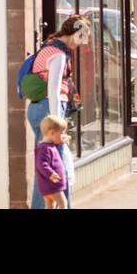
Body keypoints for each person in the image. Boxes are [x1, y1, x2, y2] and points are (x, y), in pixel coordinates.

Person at [27, 15, 91, 209]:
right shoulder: (58, 54)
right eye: (82, 36)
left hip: (41, 109)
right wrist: (56, 124)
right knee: (55, 167)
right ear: (76, 32)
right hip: (49, 110)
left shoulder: (50, 46)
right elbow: (53, 89)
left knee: (51, 165)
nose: (81, 43)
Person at [35, 115, 69, 209]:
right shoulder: (44, 148)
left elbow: (51, 155)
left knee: (50, 205)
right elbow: (41, 163)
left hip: (49, 185)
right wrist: (50, 174)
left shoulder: (49, 146)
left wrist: (61, 142)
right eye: (61, 133)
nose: (63, 136)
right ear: (52, 133)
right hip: (52, 185)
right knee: (63, 204)